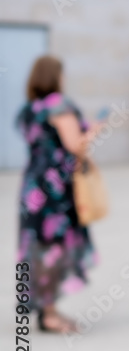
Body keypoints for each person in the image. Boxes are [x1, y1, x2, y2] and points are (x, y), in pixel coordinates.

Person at [16, 56, 102, 333]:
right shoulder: (59, 105)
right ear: (56, 76)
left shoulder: (30, 108)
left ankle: (47, 310)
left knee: (38, 247)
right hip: (55, 191)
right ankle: (49, 315)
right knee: (55, 248)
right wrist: (94, 132)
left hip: (33, 186)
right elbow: (75, 145)